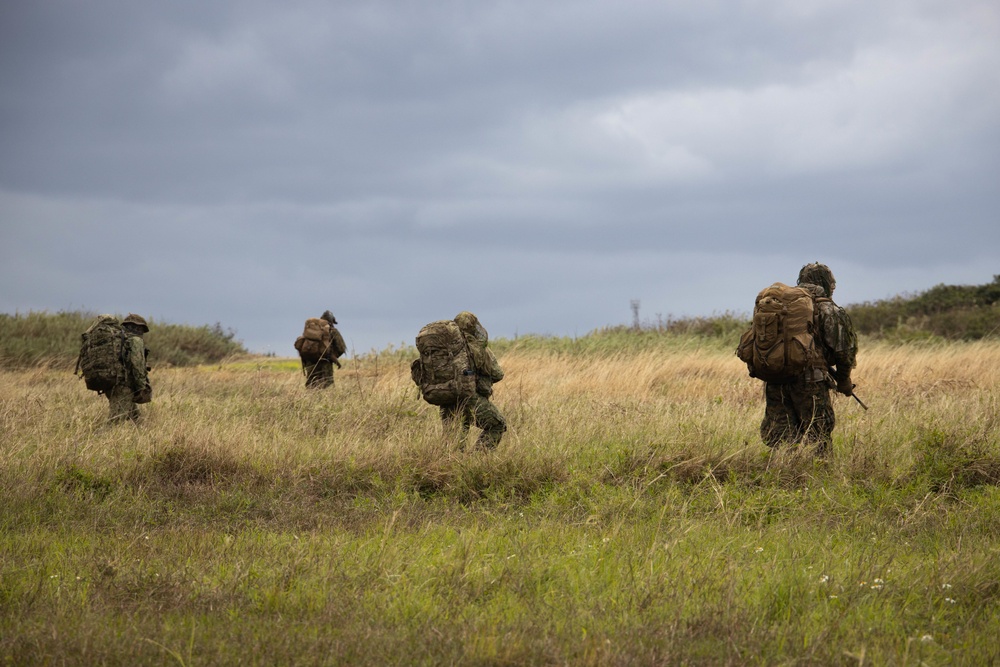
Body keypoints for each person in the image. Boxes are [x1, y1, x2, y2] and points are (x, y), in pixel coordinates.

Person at [759, 263, 858, 456]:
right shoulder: (829, 310)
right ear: (827, 283)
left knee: (781, 438)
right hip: (811, 381)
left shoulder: (781, 306)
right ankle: (819, 476)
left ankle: (781, 477)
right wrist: (844, 380)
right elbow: (844, 352)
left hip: (776, 378)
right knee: (819, 435)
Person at [440, 312, 507, 450]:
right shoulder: (477, 347)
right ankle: (477, 460)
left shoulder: (443, 349)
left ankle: (448, 468)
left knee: (453, 444)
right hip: (470, 398)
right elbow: (498, 374)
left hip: (446, 399)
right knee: (497, 425)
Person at [108, 313, 152, 423]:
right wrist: (142, 387)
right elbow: (137, 364)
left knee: (135, 417)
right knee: (116, 421)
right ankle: (99, 439)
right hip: (123, 384)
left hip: (111, 381)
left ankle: (142, 438)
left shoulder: (118, 339)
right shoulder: (135, 340)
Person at [300, 310, 346, 389]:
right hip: (325, 363)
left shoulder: (312, 331)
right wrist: (332, 357)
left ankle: (310, 400)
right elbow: (341, 348)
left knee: (312, 383)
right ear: (332, 321)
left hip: (310, 362)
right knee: (327, 385)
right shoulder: (332, 331)